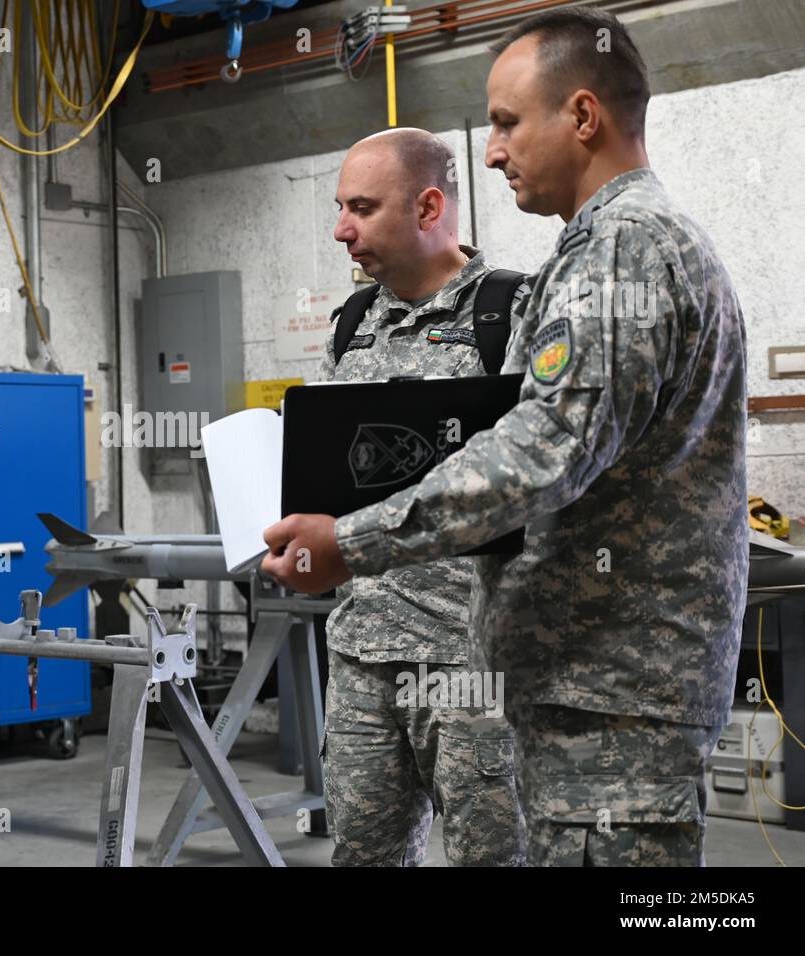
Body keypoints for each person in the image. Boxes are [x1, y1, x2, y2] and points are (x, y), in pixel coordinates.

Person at [263, 7, 747, 866]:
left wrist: (353, 539)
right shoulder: (599, 248)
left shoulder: (624, 250)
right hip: (584, 693)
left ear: (584, 117)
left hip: (612, 697)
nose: (492, 149)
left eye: (505, 122)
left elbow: (539, 452)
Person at [319, 128, 525, 866]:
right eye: (341, 207)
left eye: (363, 208)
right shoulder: (351, 326)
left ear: (430, 205)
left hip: (470, 664)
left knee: (491, 858)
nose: (342, 229)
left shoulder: (513, 315)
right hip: (359, 652)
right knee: (363, 857)